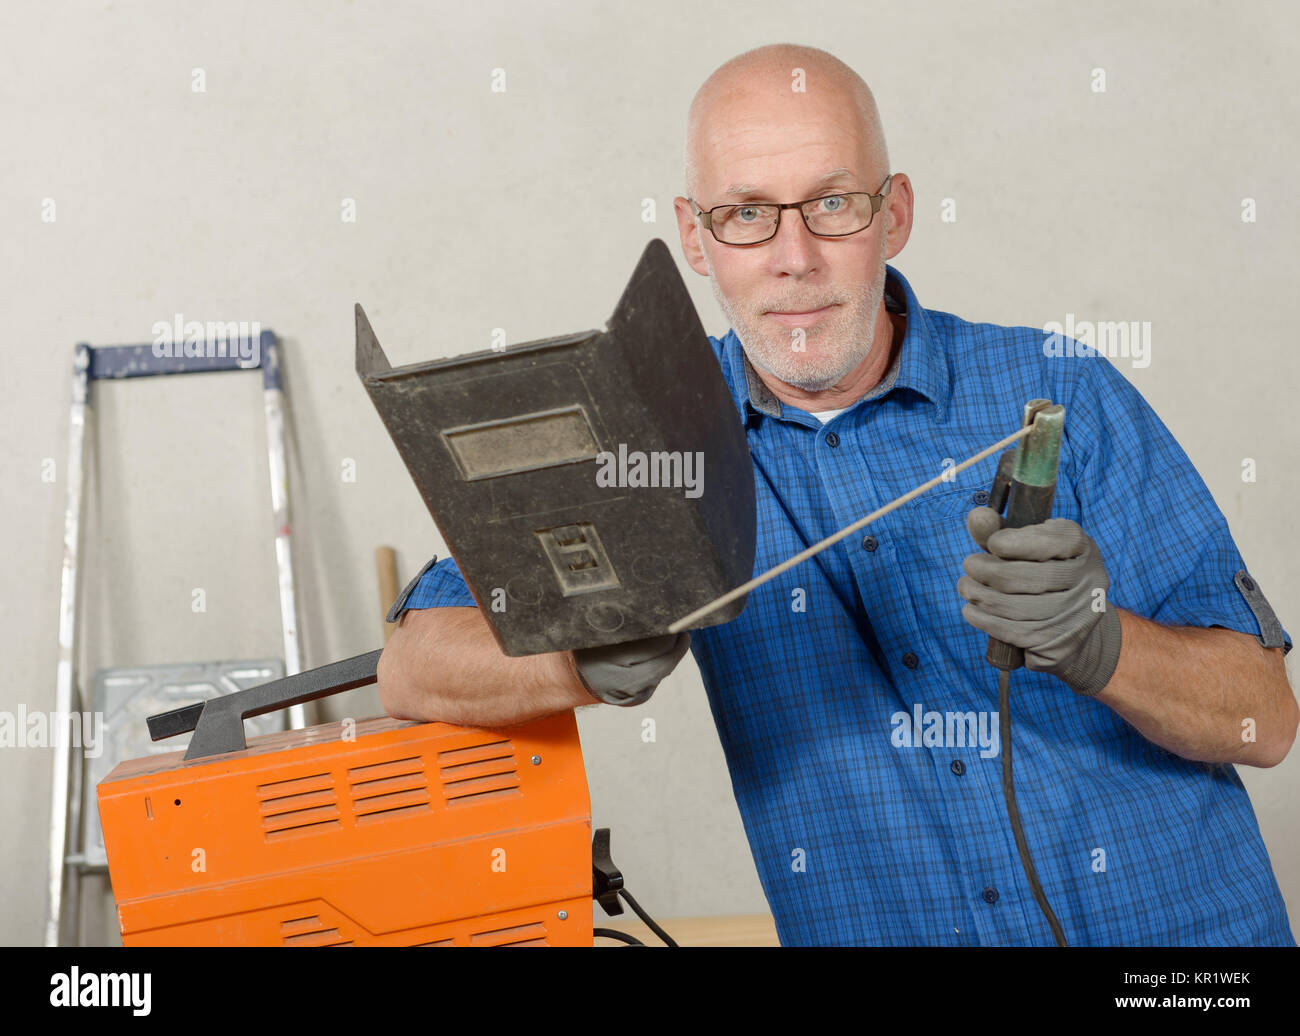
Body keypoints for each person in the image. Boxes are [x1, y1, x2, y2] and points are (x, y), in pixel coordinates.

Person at [376, 43, 1297, 946]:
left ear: (892, 214)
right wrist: (574, 664)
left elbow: (1264, 719)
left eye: (832, 203)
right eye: (745, 213)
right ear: (694, 237)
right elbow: (411, 666)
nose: (795, 256)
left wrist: (1104, 645)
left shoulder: (1062, 392)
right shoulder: (644, 434)